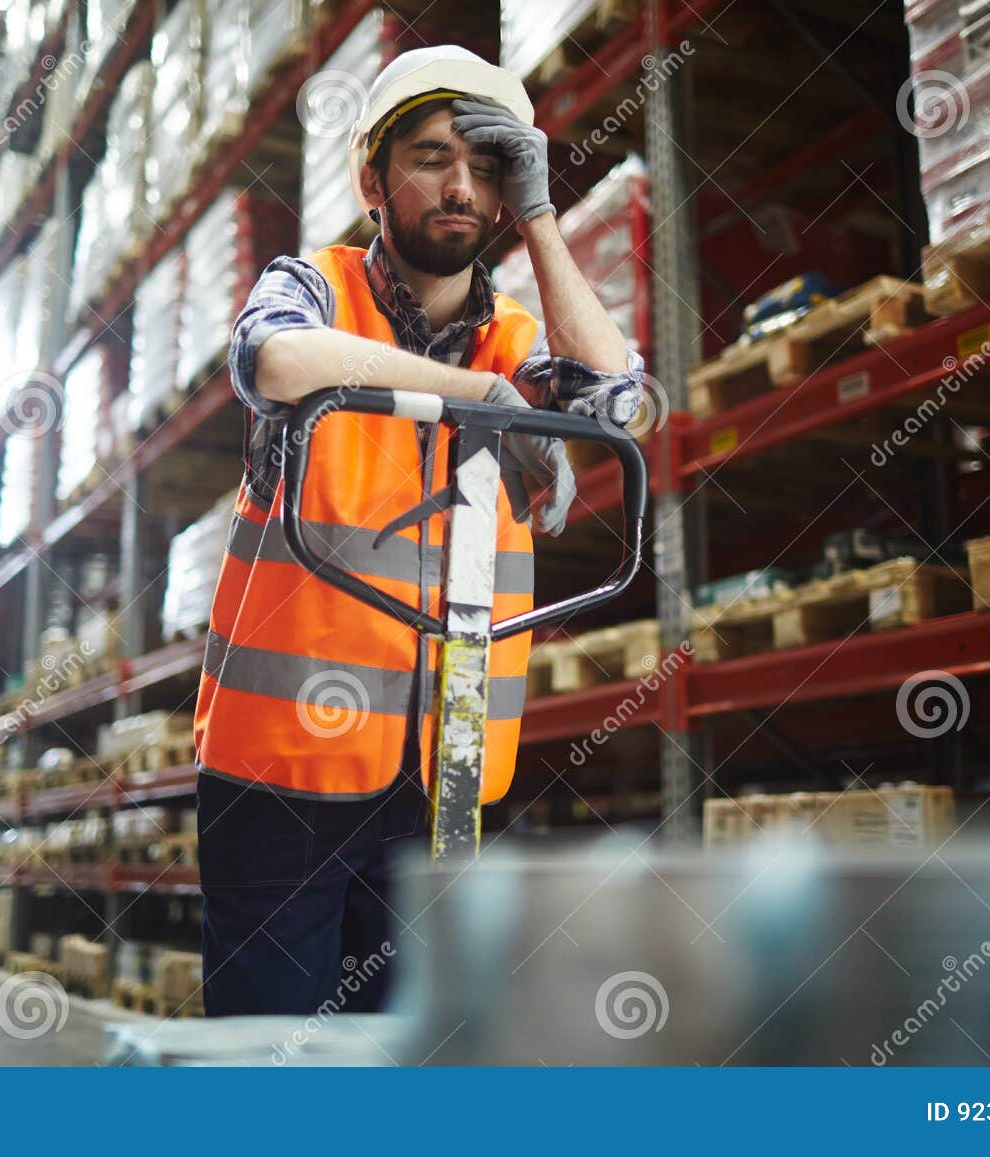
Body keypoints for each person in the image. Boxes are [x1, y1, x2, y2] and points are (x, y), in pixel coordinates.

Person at [191, 45, 645, 1017]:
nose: (459, 186)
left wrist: (538, 213)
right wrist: (473, 399)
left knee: (411, 1072)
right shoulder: (312, 289)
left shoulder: (517, 338)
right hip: (280, 772)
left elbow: (620, 399)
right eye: (432, 156)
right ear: (371, 179)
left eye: (485, 167)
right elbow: (269, 357)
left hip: (444, 779)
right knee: (268, 1076)